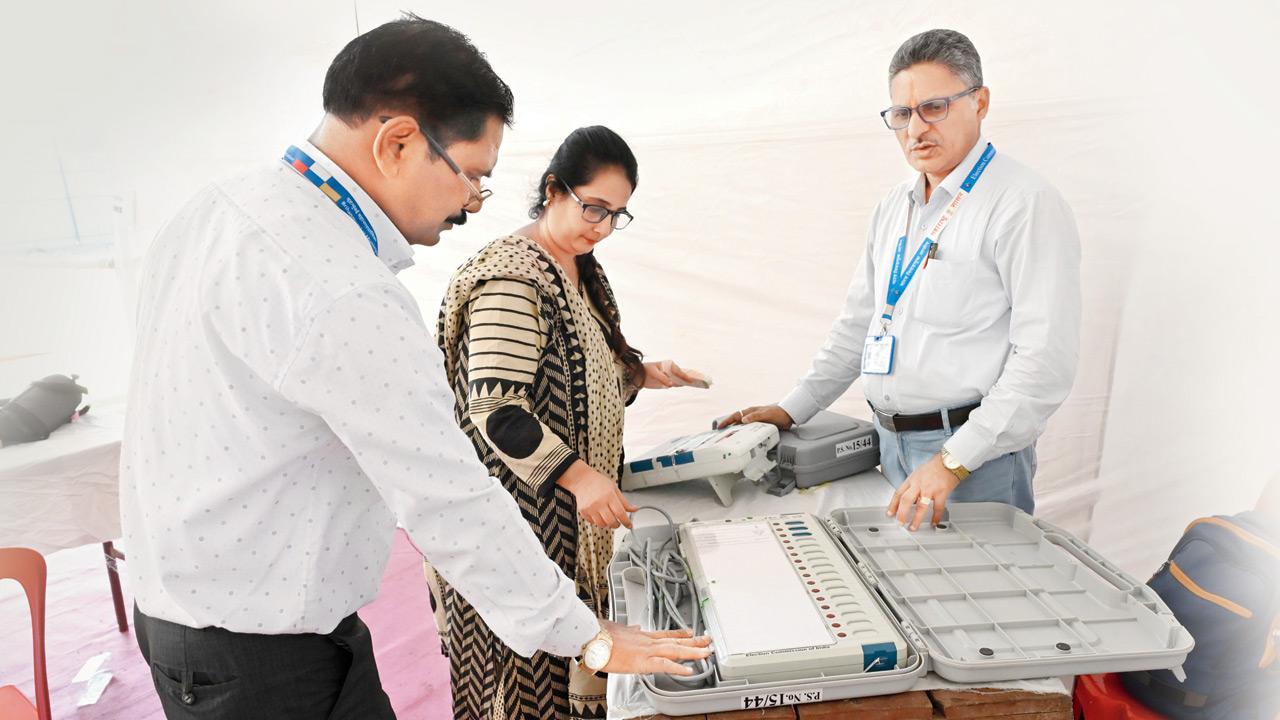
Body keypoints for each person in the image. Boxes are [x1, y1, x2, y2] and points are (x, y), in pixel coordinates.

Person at [119, 17, 709, 720]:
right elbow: (446, 488)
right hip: (262, 652)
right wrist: (587, 635)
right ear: (398, 141)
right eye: (472, 175)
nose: (472, 201)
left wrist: (634, 375)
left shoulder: (218, 210)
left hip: (212, 618)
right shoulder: (344, 286)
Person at [720, 29, 1080, 532]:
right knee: (896, 581)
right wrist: (791, 409)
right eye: (902, 114)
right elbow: (859, 325)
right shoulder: (894, 207)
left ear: (980, 102)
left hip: (975, 460)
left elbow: (1043, 360)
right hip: (887, 447)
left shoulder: (1023, 203)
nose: (916, 129)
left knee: (973, 584)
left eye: (933, 107)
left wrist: (954, 462)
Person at [432, 125, 708, 720]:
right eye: (594, 207)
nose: (603, 226)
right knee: (527, 677)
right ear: (553, 190)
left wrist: (640, 373)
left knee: (569, 667)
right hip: (523, 523)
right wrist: (580, 478)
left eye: (617, 215)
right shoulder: (512, 280)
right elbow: (498, 409)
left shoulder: (575, 266)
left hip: (564, 522)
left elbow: (572, 376)